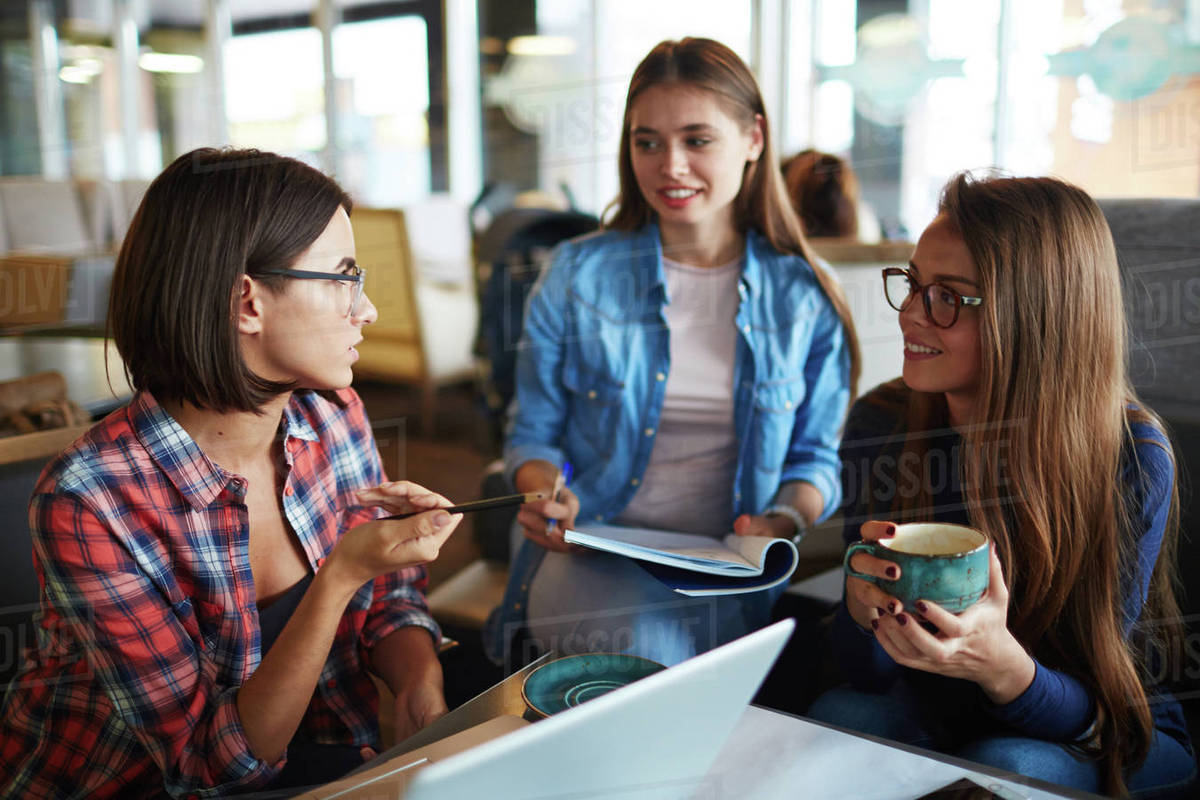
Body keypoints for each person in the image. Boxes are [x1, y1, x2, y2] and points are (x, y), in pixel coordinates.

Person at [0, 148, 463, 799]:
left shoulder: (333, 416)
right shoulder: (90, 501)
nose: (368, 310)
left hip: (311, 759)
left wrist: (419, 687)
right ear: (247, 302)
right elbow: (205, 769)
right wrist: (340, 575)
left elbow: (384, 599)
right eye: (342, 278)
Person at [809, 172, 1196, 797]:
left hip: (1101, 728)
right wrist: (861, 618)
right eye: (911, 285)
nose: (910, 314)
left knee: (1002, 765)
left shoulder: (1129, 458)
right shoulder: (880, 423)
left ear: (1035, 316)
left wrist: (1003, 667)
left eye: (948, 298)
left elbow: (1099, 709)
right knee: (842, 720)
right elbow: (865, 677)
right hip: (932, 705)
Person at [486, 38, 860, 668]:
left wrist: (783, 521)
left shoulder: (805, 296)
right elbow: (533, 434)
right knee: (652, 659)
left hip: (727, 572)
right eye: (648, 142)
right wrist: (546, 491)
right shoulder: (577, 274)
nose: (670, 166)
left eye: (697, 140)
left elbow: (815, 460)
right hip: (591, 558)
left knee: (676, 677)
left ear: (753, 139)